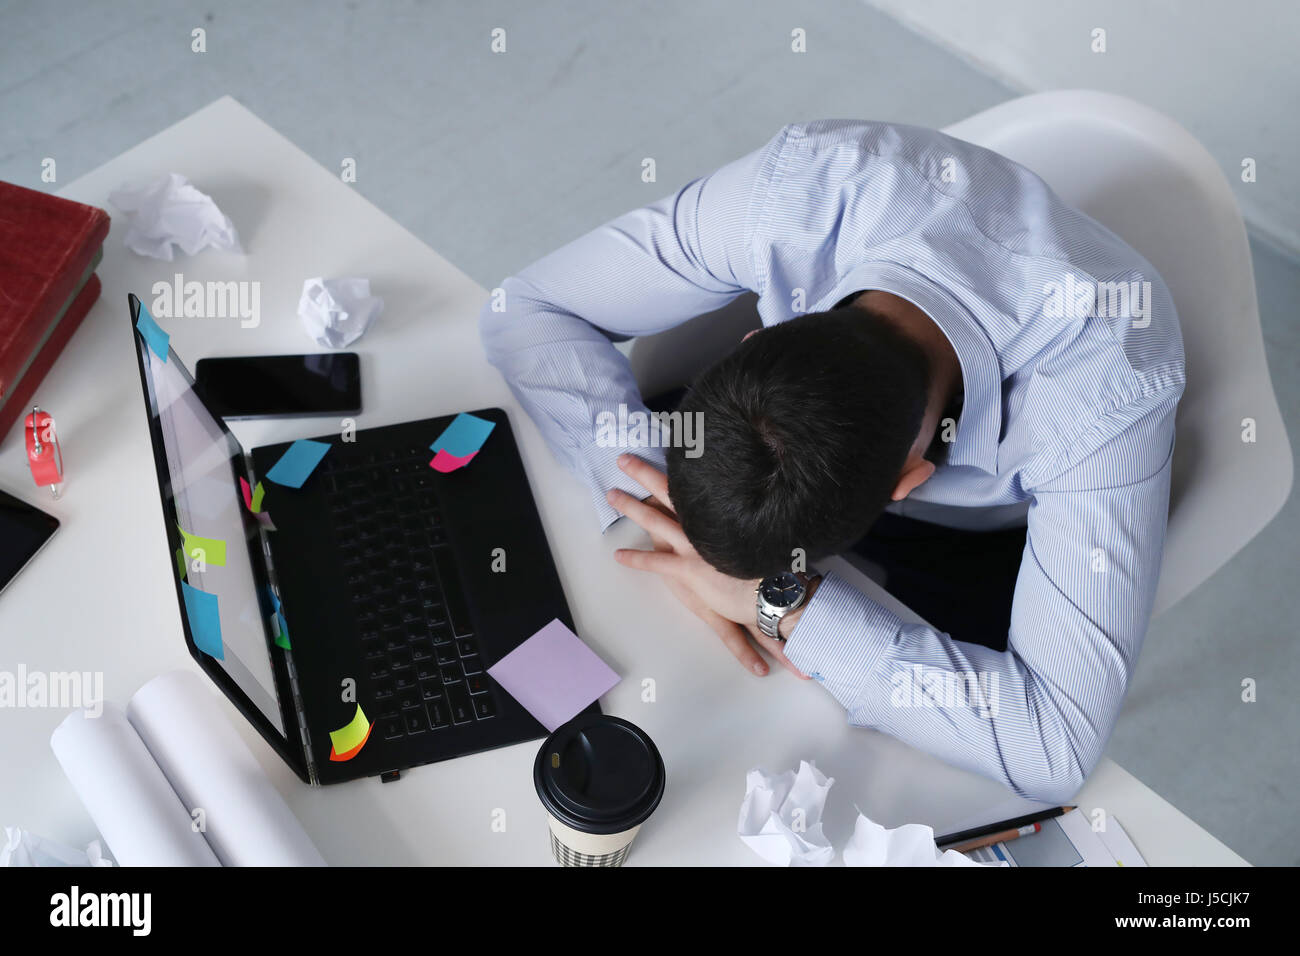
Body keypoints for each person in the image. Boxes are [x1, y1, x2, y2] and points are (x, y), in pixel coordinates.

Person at [480, 120, 1184, 803]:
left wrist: (776, 604)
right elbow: (526, 307)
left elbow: (1054, 746)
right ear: (757, 337)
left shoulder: (1106, 389)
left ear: (907, 485)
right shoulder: (807, 186)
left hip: (984, 533)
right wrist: (649, 497)